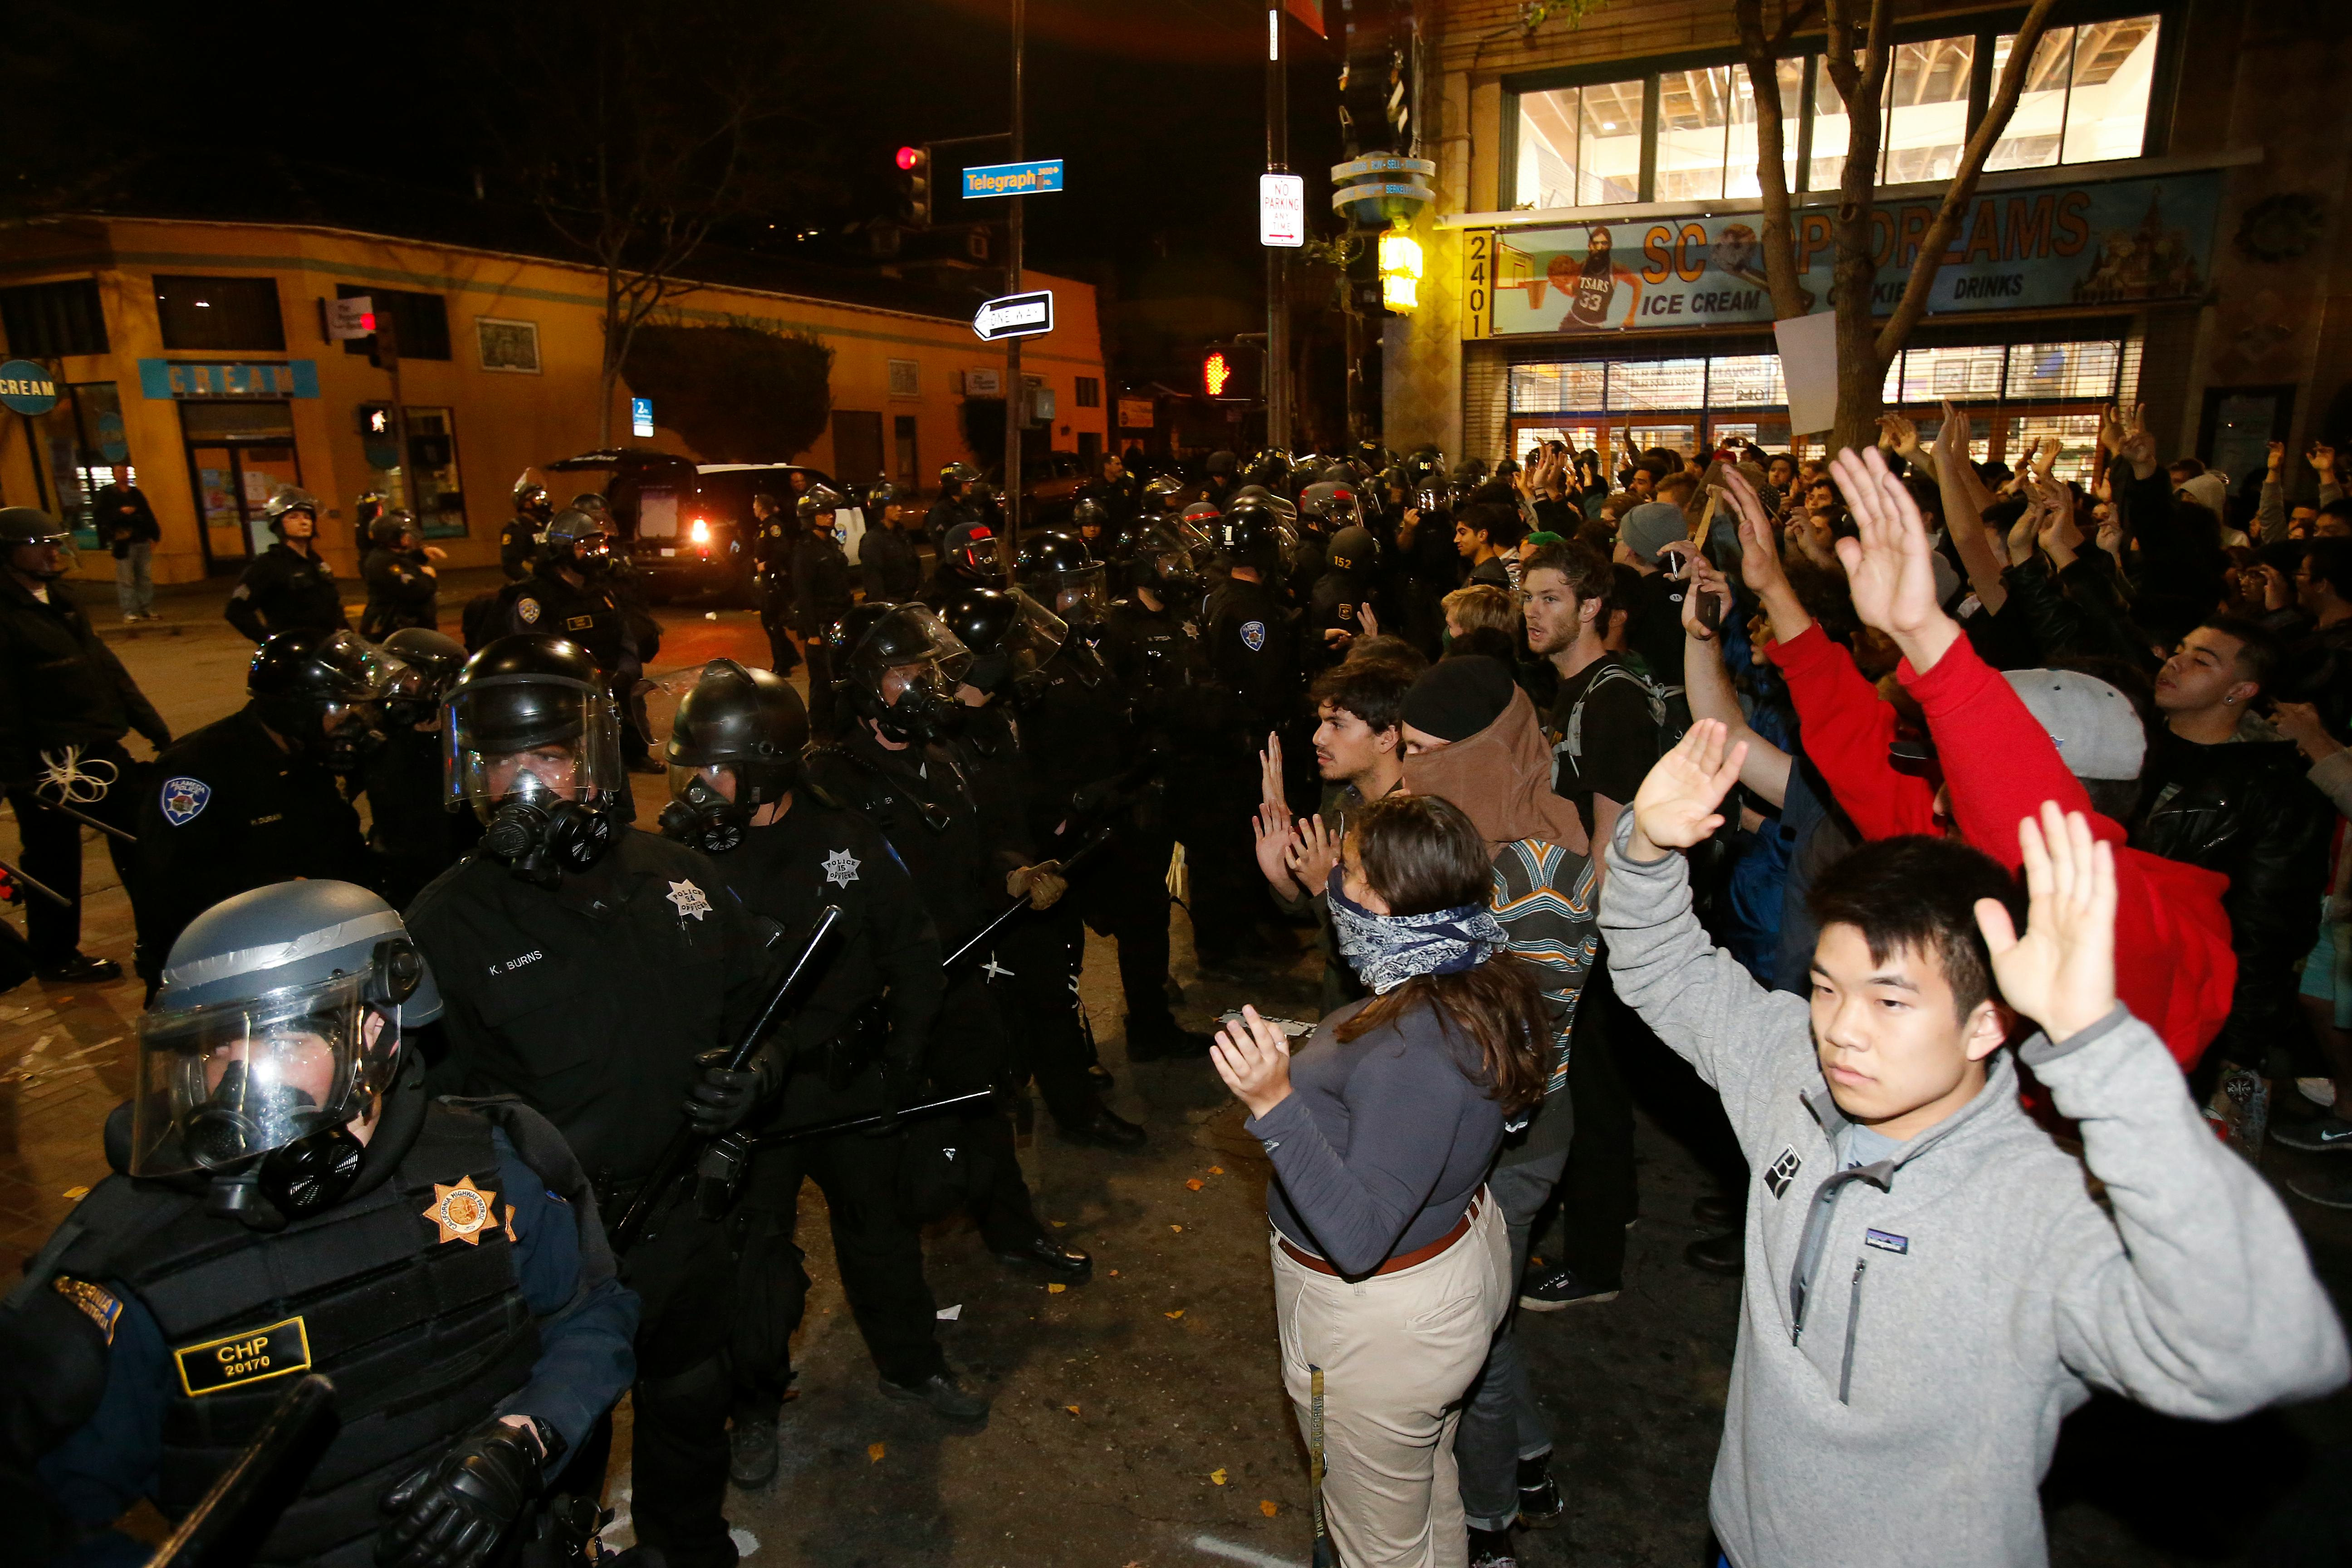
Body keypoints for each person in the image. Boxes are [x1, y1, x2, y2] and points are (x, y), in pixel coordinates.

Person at [1605, 721, 2349, 1568]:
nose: (1841, 1028)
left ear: (1986, 1022)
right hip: (1741, 1543)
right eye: (1823, 987)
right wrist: (1642, 848)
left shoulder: (2035, 1204)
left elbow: (2265, 1348)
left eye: (1889, 1002)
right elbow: (1663, 966)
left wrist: (2097, 1049)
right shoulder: (1790, 1073)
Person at [9, 878, 639, 1567]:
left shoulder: (493, 1162)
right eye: (218, 1049)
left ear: (375, 1035)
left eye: (280, 1042)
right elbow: (36, 1512)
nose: (239, 1086)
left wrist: (525, 1440)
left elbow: (592, 1317)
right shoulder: (136, 1263)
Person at [405, 633, 784, 1568]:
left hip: (689, 1214)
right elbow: (421, 1124)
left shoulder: (680, 877)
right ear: (472, 777)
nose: (527, 786)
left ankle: (683, 1543)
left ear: (594, 764)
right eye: (503, 764)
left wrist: (760, 1077)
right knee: (554, 1445)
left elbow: (760, 1014)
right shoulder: (442, 926)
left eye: (550, 759)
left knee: (692, 1401)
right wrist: (485, 1239)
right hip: (556, 1246)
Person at [1725, 453, 2240, 1073]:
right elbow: (1857, 740)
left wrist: (1931, 646)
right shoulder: (1952, 856)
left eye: (1964, 781)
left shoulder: (2149, 929)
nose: (1939, 799)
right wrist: (1775, 591)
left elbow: (2026, 831)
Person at [657, 662, 985, 1487]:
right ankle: (756, 1406)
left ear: (764, 764)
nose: (697, 785)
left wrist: (908, 1058)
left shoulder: (845, 837)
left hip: (845, 1077)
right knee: (755, 1263)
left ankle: (912, 1363)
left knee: (879, 1235)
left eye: (712, 767)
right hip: (749, 1101)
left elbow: (912, 950)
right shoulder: (681, 859)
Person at [1214, 792, 1551, 1568]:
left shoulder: (1415, 1050)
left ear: (1393, 901)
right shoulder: (1464, 965)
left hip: (1379, 1324)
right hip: (1443, 1268)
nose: (1335, 875)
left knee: (1375, 1544)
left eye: (1351, 871)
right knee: (1418, 1486)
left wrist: (1273, 1101)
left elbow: (1359, 1238)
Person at [805, 605, 1093, 1281]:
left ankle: (1013, 1231)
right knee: (888, 1150)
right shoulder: (832, 779)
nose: (927, 688)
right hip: (885, 993)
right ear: (867, 686)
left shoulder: (942, 757)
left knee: (986, 1102)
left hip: (959, 972)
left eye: (929, 672)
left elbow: (973, 849)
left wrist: (1012, 874)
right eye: (909, 675)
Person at [1388, 657, 1598, 1564]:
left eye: (1425, 756)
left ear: (1478, 755)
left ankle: (1488, 1531)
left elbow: (1510, 1027)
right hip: (1473, 1132)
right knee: (1489, 1314)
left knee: (1463, 1346)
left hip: (1511, 1140)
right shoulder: (1475, 837)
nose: (1408, 777)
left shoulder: (1542, 863)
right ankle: (1531, 1460)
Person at [1520, 541, 1655, 1308]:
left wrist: (1583, 947)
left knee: (1591, 1098)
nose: (1533, 612)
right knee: (1603, 1090)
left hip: (1602, 928)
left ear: (1590, 606)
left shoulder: (1608, 700)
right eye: (1528, 597)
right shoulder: (1578, 690)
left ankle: (1593, 1265)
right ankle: (1618, 1209)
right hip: (1593, 923)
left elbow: (1614, 838)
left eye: (1548, 599)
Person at [2132, 618, 2333, 1083]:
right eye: (2180, 648)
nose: (2175, 663)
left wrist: (2237, 1050)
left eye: (2202, 660)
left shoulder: (2275, 792)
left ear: (2241, 690)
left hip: (2179, 1000)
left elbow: (2268, 929)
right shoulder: (2127, 742)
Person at [137, 628, 388, 989]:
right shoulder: (197, 770)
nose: (351, 721)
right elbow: (175, 888)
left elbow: (342, 853)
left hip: (316, 951)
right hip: (229, 967)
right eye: (338, 708)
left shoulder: (307, 756)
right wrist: (284, 892)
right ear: (294, 711)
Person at [0, 506, 168, 984]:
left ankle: (158, 936)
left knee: (142, 840)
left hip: (96, 748)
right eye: (39, 544)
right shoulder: (7, 615)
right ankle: (55, 955)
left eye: (56, 542)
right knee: (54, 863)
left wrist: (150, 725)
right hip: (47, 761)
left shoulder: (62, 599)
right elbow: (4, 700)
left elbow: (106, 668)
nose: (52, 551)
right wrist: (14, 775)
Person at [1194, 499, 1304, 973]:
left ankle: (1239, 931)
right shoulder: (1250, 610)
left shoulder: (1219, 595)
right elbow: (1264, 683)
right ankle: (1230, 942)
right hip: (1245, 742)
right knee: (1242, 841)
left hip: (1225, 742)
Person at [505, 507, 660, 774]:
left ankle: (634, 752)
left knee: (633, 691)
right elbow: (537, 653)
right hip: (570, 691)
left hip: (610, 681)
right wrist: (586, 681)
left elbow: (625, 638)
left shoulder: (601, 591)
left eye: (598, 546)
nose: (595, 553)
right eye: (585, 547)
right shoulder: (534, 597)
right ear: (562, 551)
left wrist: (626, 673)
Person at [364, 627, 478, 910]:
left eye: (408, 677)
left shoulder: (472, 742)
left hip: (462, 886)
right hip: (403, 890)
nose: (396, 686)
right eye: (393, 676)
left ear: (441, 683)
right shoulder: (381, 738)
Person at [225, 487, 347, 643]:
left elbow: (332, 604)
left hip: (325, 648)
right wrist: (269, 642)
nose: (303, 522)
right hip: (295, 655)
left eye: (307, 517)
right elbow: (236, 611)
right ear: (279, 524)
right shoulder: (268, 564)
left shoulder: (316, 562)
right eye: (293, 517)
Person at [792, 486, 856, 739]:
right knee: (823, 681)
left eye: (831, 511)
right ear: (810, 517)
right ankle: (820, 731)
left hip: (840, 620)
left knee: (842, 676)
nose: (831, 516)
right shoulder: (806, 551)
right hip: (821, 625)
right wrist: (812, 632)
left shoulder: (830, 544)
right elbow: (803, 595)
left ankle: (839, 726)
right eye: (824, 512)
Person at [359, 509, 441, 638]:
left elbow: (406, 562)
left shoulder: (388, 557)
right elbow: (414, 589)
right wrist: (428, 577)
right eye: (403, 534)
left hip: (406, 629)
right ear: (391, 537)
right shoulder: (384, 563)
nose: (408, 537)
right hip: (397, 630)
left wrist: (422, 554)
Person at [92, 472, 161, 622]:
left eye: (124, 471)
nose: (123, 475)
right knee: (126, 578)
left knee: (145, 577)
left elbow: (147, 513)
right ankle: (129, 611)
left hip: (141, 539)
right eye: (119, 472)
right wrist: (120, 513)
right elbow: (101, 516)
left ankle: (147, 608)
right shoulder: (108, 495)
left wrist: (154, 535)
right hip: (123, 542)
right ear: (114, 475)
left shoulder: (136, 494)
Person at [860, 480, 924, 601]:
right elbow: (874, 585)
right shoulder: (873, 541)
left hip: (912, 603)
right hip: (892, 607)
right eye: (893, 505)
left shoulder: (902, 535)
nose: (900, 508)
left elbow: (917, 566)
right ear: (881, 509)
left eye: (899, 504)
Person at [1453, 503, 1518, 591]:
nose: (1456, 540)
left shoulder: (1488, 575)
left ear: (1482, 535)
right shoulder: (1485, 570)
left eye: (1463, 533)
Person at [502, 475, 554, 582]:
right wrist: (533, 581)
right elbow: (512, 565)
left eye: (544, 497)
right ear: (526, 504)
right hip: (535, 583)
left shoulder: (549, 524)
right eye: (538, 499)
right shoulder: (516, 530)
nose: (544, 502)